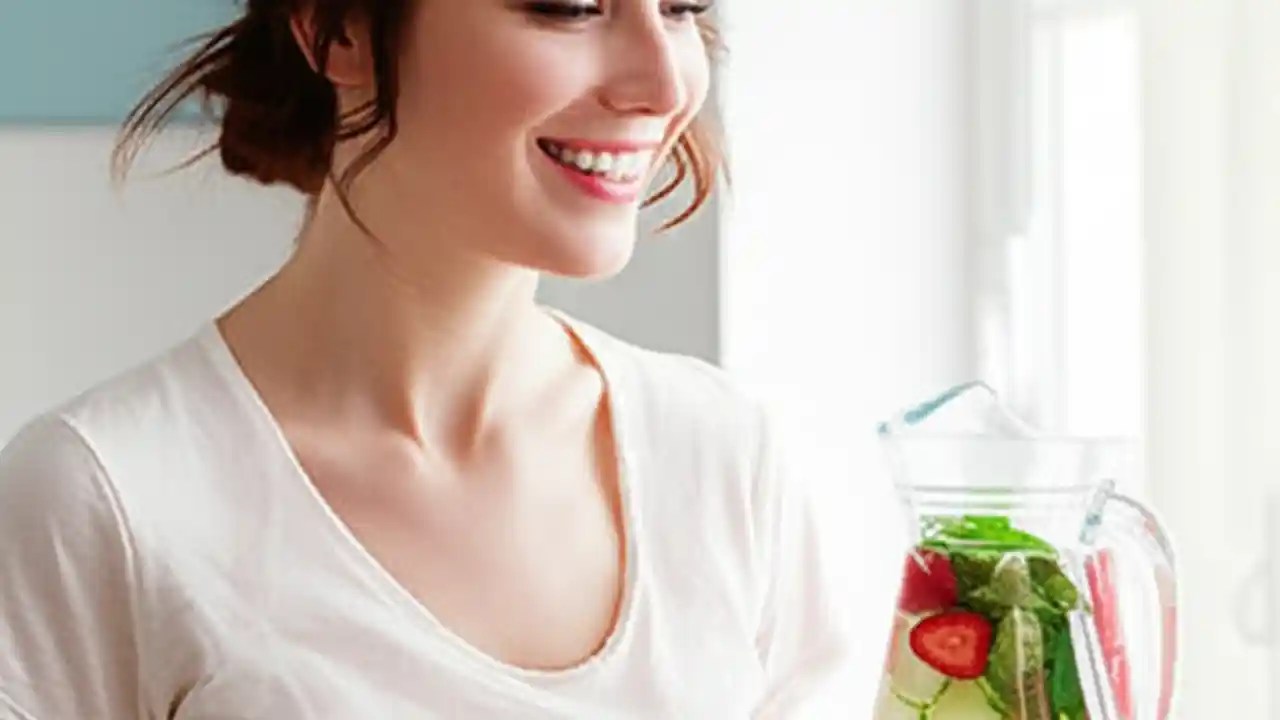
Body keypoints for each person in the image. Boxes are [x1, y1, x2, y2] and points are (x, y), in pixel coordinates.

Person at [0, 0, 855, 717]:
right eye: (569, 7)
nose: (664, 85)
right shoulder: (106, 497)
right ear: (338, 31)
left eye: (681, 8)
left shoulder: (726, 462)